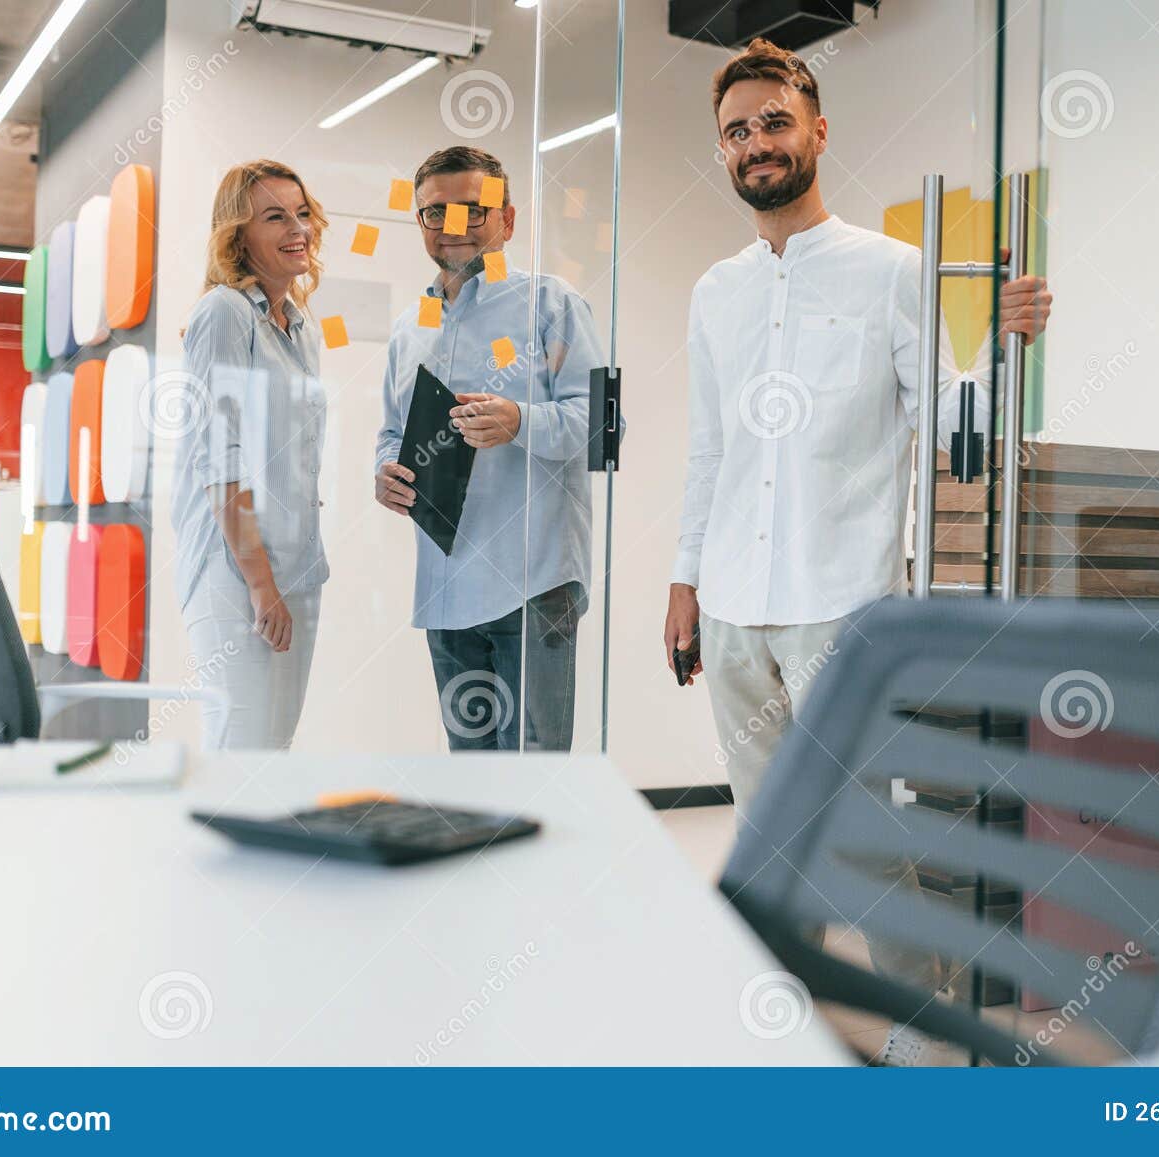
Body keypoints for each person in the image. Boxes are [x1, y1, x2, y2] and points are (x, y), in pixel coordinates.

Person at [663, 39, 1052, 1063]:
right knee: (768, 844)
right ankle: (792, 1038)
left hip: (845, 603)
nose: (756, 143)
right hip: (735, 607)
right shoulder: (716, 290)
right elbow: (710, 448)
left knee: (873, 841)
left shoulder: (893, 271)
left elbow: (949, 419)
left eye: (773, 122)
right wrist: (683, 580)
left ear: (816, 130)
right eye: (737, 131)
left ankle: (921, 1051)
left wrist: (1001, 342)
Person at [374, 146, 608, 752]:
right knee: (471, 784)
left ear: (508, 220)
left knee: (534, 779)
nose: (453, 227)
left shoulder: (557, 305)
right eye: (435, 213)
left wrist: (520, 420)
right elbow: (390, 432)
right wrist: (386, 471)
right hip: (445, 585)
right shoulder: (410, 326)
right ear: (418, 222)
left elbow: (607, 431)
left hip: (535, 581)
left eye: (473, 211)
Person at [173, 159, 331, 750]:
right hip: (235, 569)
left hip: (299, 566)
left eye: (302, 213)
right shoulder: (223, 312)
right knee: (238, 749)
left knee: (275, 750)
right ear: (239, 237)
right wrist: (262, 584)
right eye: (275, 217)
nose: (298, 229)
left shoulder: (302, 325)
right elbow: (220, 458)